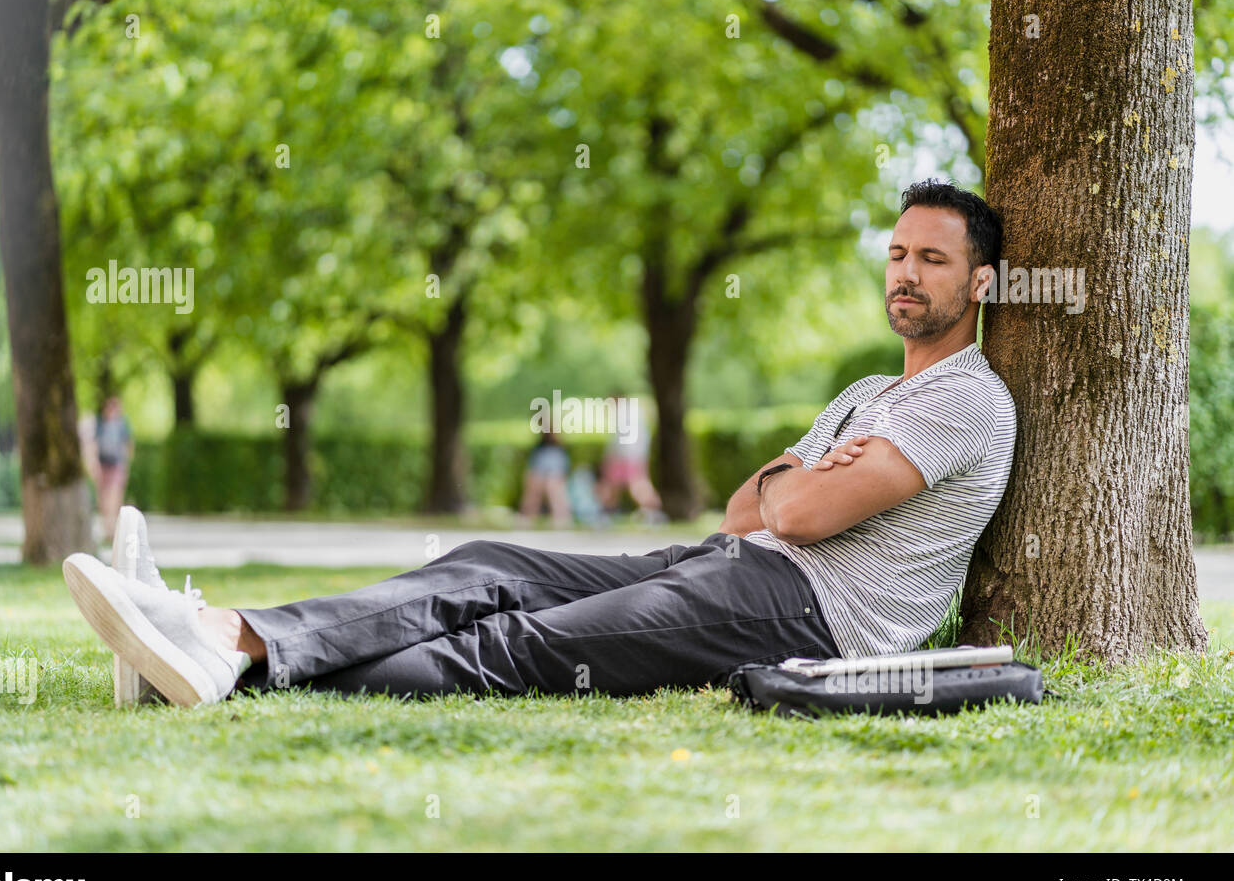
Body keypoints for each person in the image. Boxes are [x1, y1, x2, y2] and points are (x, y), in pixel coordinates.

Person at [60, 179, 1015, 707]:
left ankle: (220, 650)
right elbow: (747, 507)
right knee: (485, 564)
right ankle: (228, 641)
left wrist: (797, 481)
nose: (906, 273)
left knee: (519, 645)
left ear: (977, 285)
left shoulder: (969, 400)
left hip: (809, 615)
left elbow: (797, 513)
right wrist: (800, 476)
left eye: (933, 259)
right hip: (731, 558)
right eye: (897, 253)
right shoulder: (866, 393)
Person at [594, 391, 663, 522]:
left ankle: (606, 514)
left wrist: (610, 457)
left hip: (626, 456)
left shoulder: (623, 414)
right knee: (619, 486)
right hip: (635, 455)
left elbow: (618, 440)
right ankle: (607, 513)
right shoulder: (634, 412)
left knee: (632, 485)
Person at [93, 395, 134, 543]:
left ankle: (114, 529)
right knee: (103, 498)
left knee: (115, 497)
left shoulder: (122, 425)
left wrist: (126, 464)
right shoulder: (100, 424)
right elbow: (95, 445)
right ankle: (107, 528)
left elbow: (128, 445)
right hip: (103, 465)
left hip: (117, 465)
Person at [516, 431, 573, 528]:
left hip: (554, 478)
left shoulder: (559, 450)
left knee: (553, 486)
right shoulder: (538, 449)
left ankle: (561, 518)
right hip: (539, 477)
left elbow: (562, 472)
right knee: (535, 485)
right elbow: (532, 469)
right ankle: (527, 517)